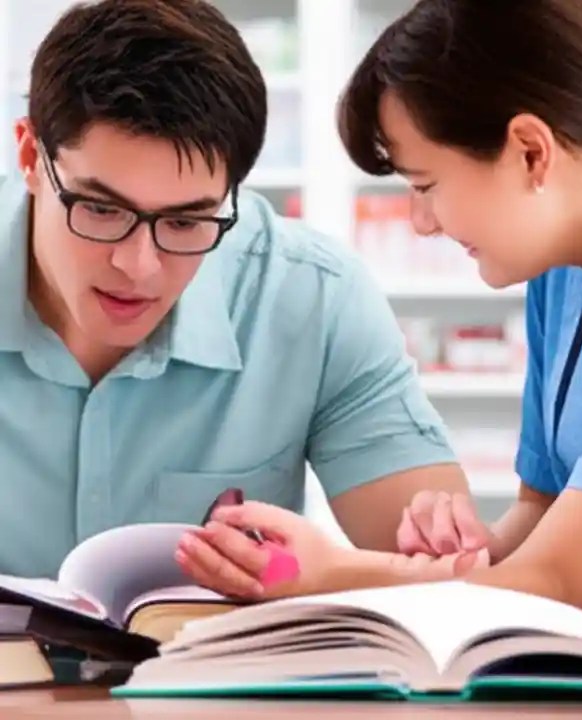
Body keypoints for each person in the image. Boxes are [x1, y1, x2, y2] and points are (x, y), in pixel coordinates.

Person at [0, 0, 477, 585]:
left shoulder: (312, 298)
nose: (139, 265)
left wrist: (344, 570)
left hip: (221, 674)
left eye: (185, 222)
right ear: (29, 156)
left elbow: (445, 574)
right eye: (100, 210)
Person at [196, 0, 582, 612]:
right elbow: (538, 518)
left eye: (425, 186)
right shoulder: (561, 275)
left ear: (530, 152)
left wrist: (332, 574)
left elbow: (562, 583)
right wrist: (459, 557)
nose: (421, 223)